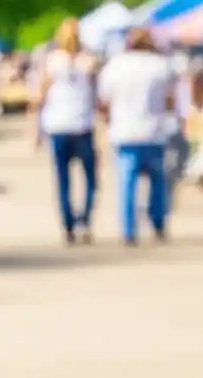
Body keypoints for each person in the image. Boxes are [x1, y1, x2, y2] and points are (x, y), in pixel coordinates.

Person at [98, 27, 174, 246]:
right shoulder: (160, 65)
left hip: (125, 132)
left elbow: (104, 100)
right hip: (154, 131)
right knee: (158, 183)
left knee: (126, 184)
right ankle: (158, 222)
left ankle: (128, 229)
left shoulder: (116, 66)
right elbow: (170, 101)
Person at [35, 17, 98, 245]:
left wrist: (35, 131)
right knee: (90, 178)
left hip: (58, 125)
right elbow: (97, 97)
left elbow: (40, 96)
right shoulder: (88, 61)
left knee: (63, 180)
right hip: (82, 124)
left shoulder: (52, 61)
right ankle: (84, 219)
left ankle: (68, 223)